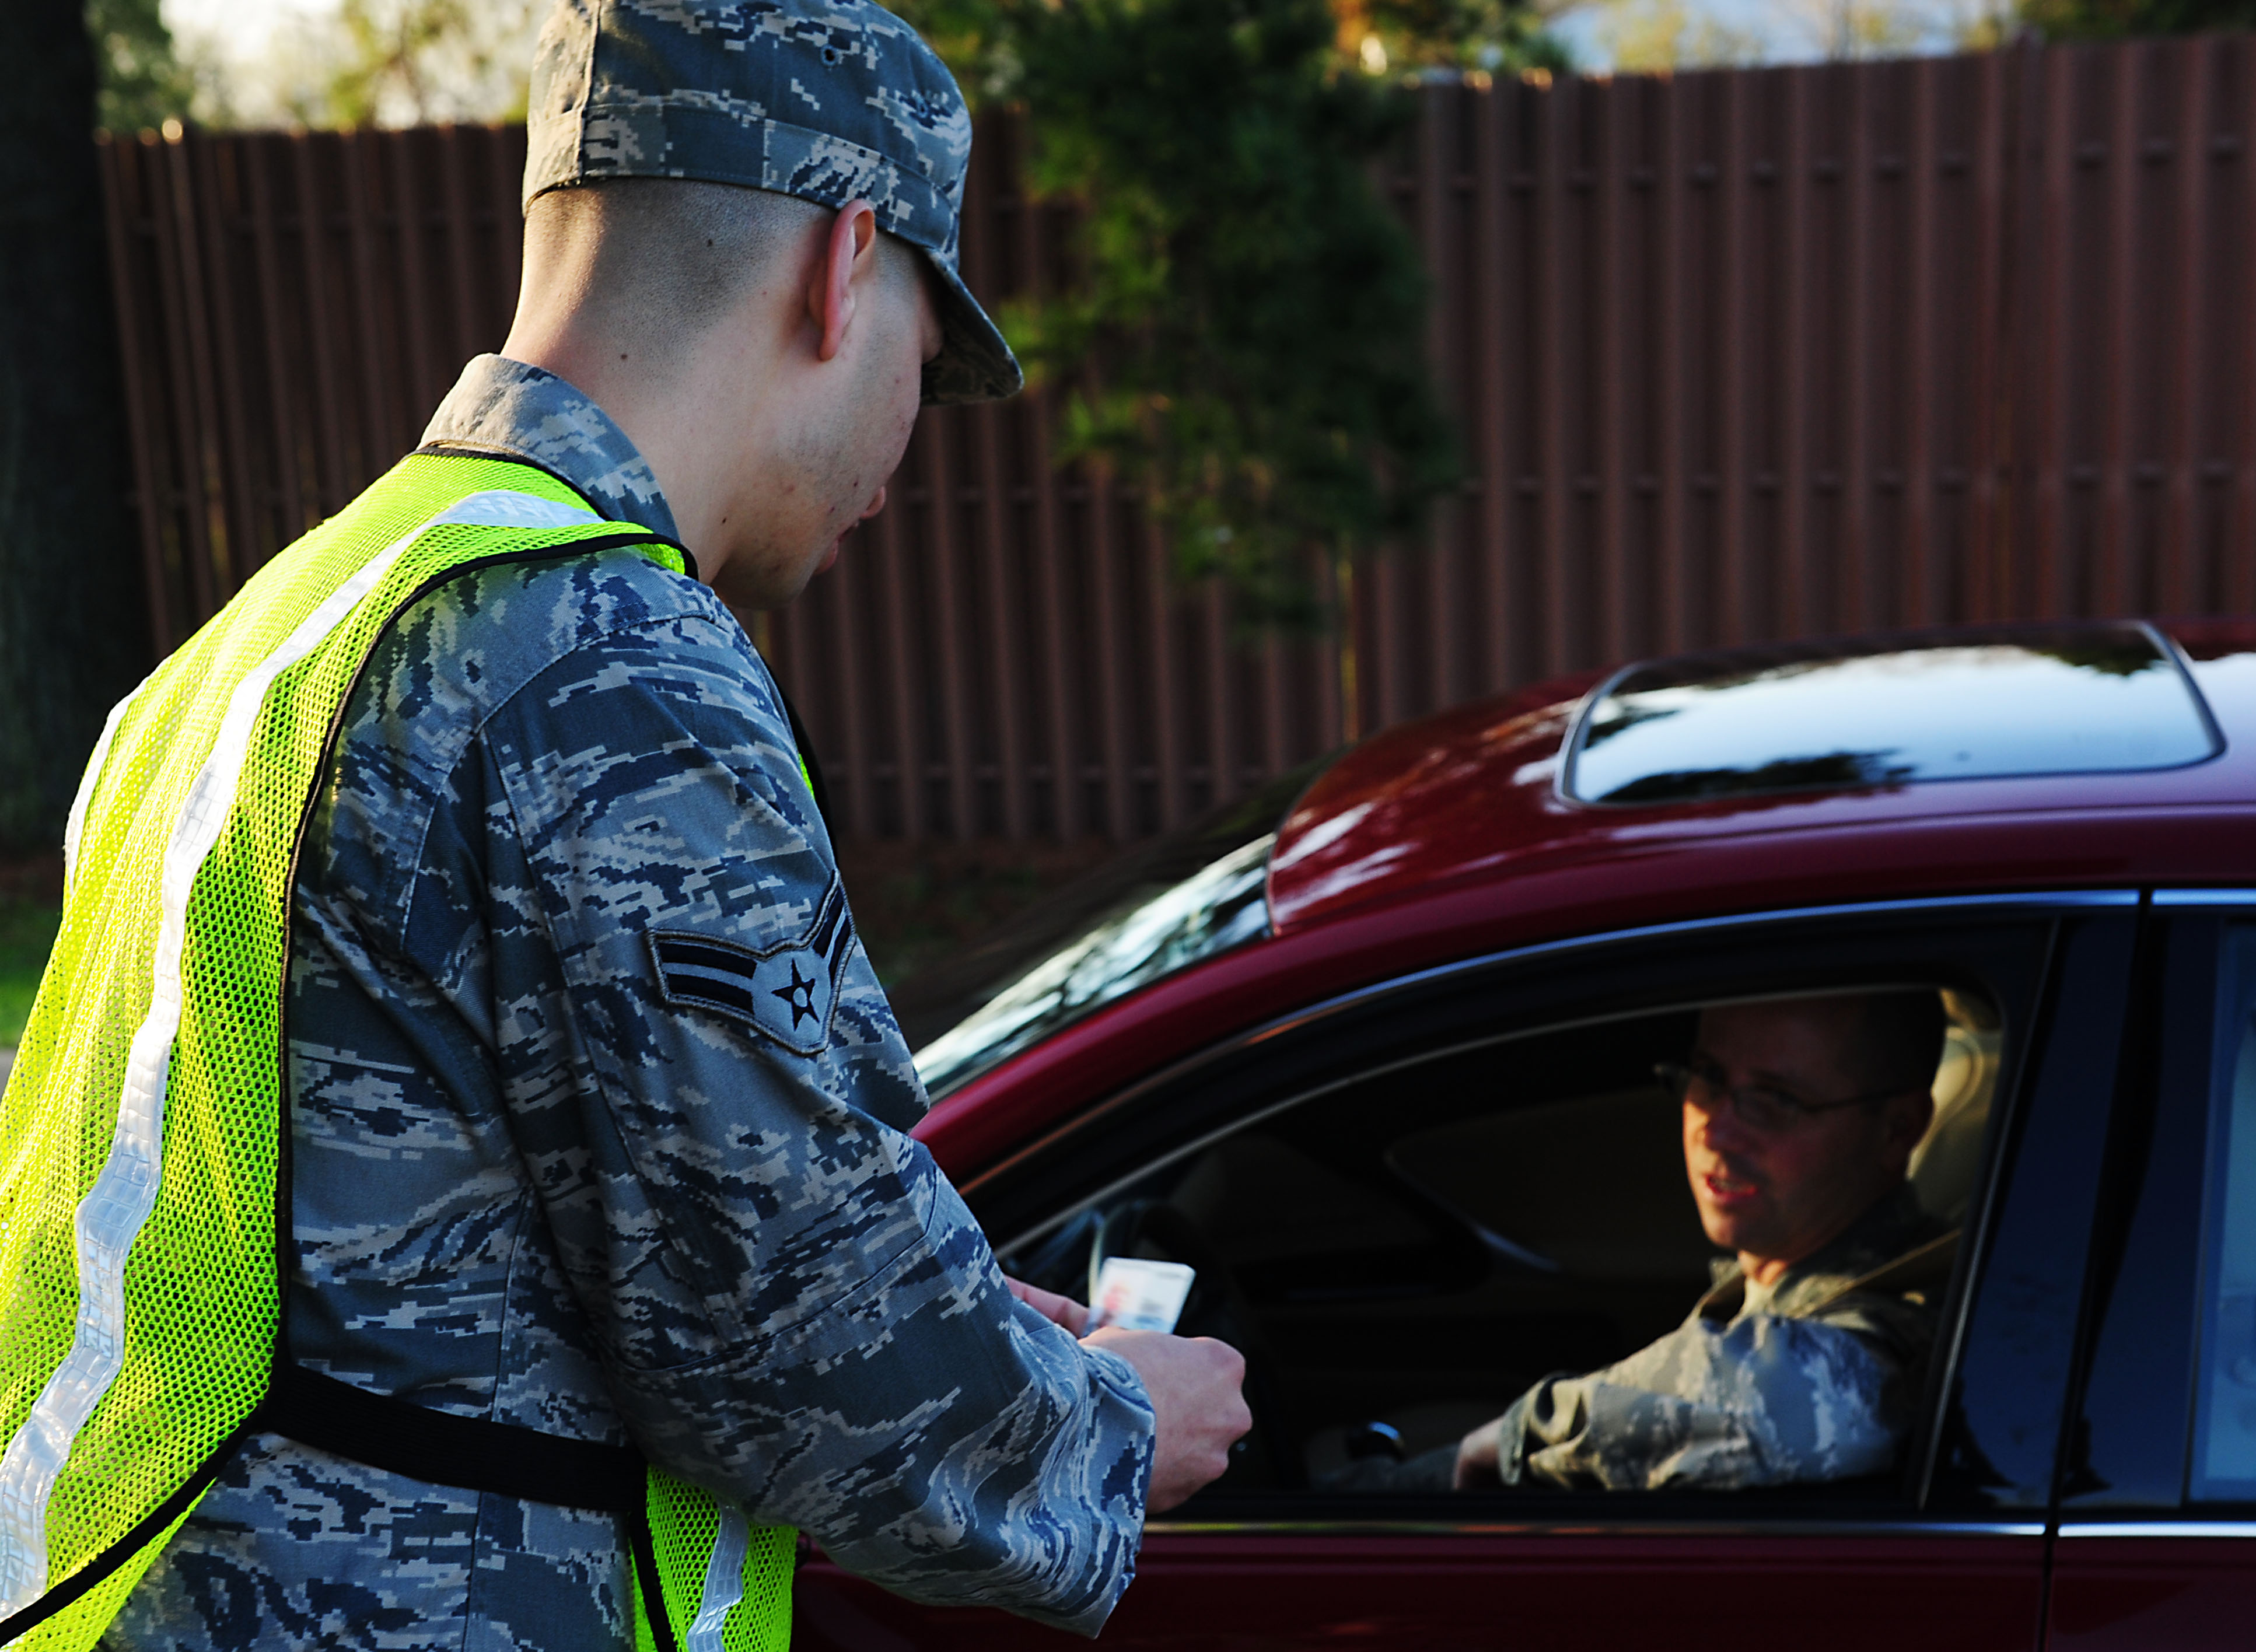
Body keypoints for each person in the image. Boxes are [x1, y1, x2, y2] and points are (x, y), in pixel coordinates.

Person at [0, 4, 1248, 1649]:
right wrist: (1117, 1424)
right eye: (925, 368)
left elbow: (462, 1221)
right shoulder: (605, 661)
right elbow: (799, 1335)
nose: (903, 449)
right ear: (844, 267)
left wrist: (953, 1305)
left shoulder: (289, 621)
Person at [1449, 989, 1953, 1493]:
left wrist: (1525, 1432)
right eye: (1710, 1077)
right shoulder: (1778, 1276)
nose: (1716, 1131)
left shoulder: (1922, 1323)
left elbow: (1816, 1402)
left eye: (1776, 1099)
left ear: (1897, 1131)